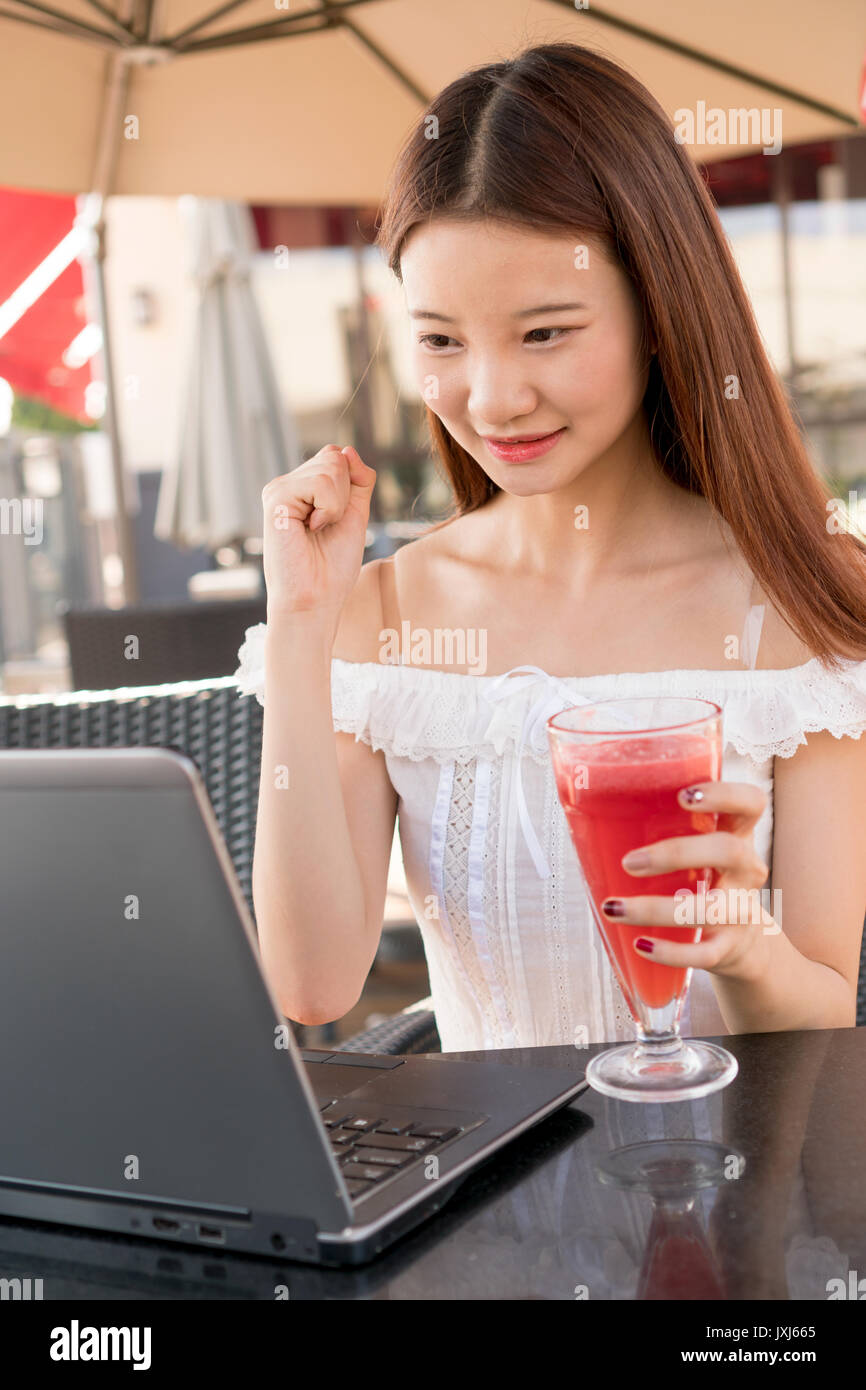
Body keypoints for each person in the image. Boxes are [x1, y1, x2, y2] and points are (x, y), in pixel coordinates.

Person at [235, 42, 866, 1051]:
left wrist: (740, 946)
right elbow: (312, 984)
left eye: (543, 333)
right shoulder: (381, 608)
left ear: (657, 312)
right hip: (484, 1198)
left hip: (732, 1188)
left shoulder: (801, 598)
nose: (489, 398)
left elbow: (825, 1017)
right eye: (440, 339)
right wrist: (301, 627)